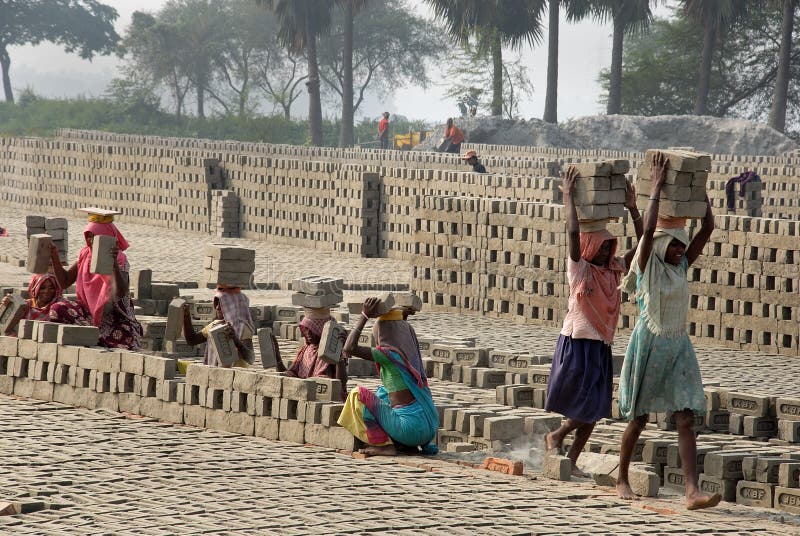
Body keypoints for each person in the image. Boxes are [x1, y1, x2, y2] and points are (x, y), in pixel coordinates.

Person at [615, 151, 720, 511]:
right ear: (661, 245)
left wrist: (699, 194)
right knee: (639, 418)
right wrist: (658, 187)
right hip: (649, 343)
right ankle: (622, 478)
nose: (679, 249)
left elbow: (707, 229)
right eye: (673, 244)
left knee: (686, 417)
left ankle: (692, 491)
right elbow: (647, 231)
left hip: (678, 347)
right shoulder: (647, 267)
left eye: (681, 244)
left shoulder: (682, 266)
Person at [544, 166, 643, 476]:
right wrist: (568, 197)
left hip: (600, 346)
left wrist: (633, 209)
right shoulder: (580, 270)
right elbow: (573, 233)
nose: (604, 252)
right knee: (586, 405)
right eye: (600, 247)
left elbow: (645, 244)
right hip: (577, 343)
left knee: (597, 408)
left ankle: (571, 459)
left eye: (608, 246)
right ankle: (557, 435)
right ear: (589, 247)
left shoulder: (614, 270)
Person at [338, 297, 438, 456]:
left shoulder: (388, 355)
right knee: (382, 393)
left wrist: (364, 315)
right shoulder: (410, 354)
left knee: (357, 395)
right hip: (427, 429)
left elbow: (349, 348)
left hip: (409, 429)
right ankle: (404, 444)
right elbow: (397, 331)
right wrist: (401, 314)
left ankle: (384, 445)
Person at [51, 209, 142, 350]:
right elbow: (65, 281)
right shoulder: (85, 254)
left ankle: (96, 336)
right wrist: (54, 256)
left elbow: (121, 292)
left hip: (113, 319)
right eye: (88, 237)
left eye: (94, 237)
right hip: (88, 315)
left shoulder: (120, 259)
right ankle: (92, 334)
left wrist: (113, 265)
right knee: (57, 309)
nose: (90, 241)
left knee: (125, 337)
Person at [274, 312, 348, 397]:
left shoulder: (330, 350)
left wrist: (338, 353)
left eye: (312, 329)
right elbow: (291, 377)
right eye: (306, 329)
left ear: (323, 330)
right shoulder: (305, 350)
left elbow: (340, 384)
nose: (308, 332)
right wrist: (276, 355)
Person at [182, 287, 255, 368]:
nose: (217, 308)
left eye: (222, 304)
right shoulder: (214, 325)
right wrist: (186, 316)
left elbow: (250, 358)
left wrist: (236, 340)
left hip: (235, 373)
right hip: (216, 372)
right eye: (216, 304)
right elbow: (191, 340)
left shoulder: (242, 327)